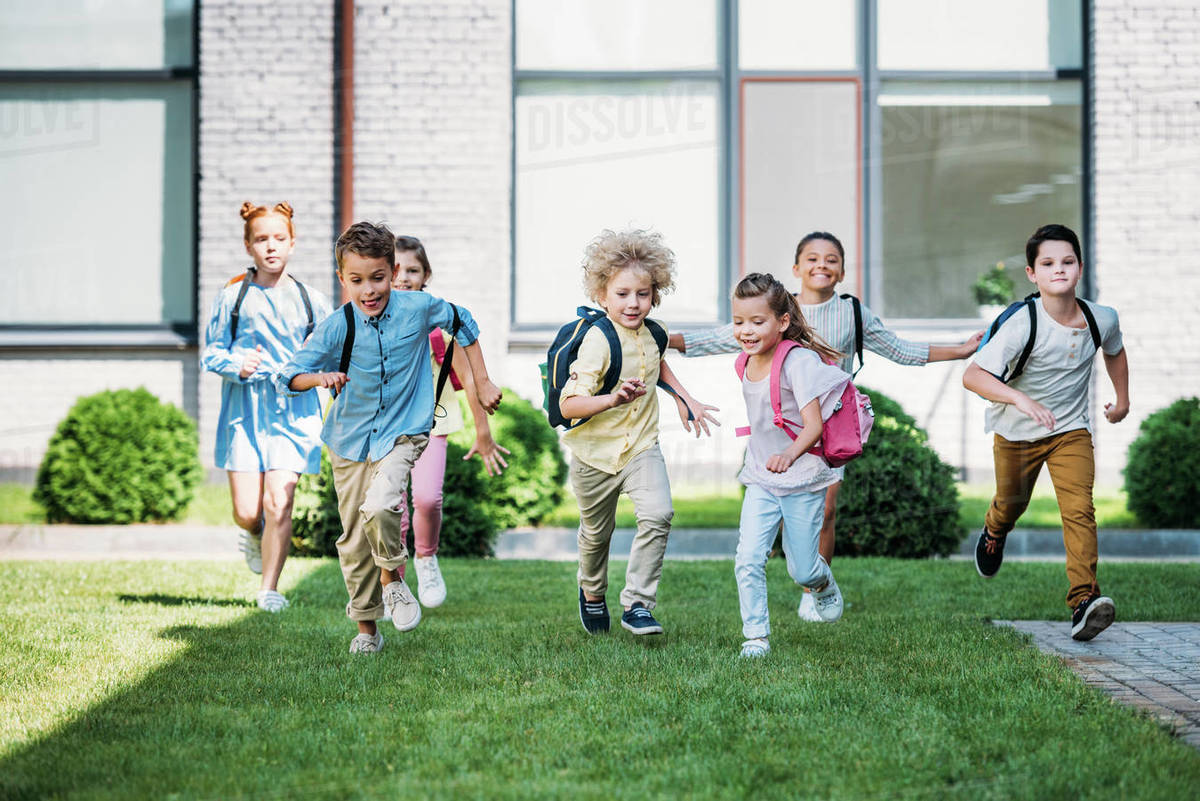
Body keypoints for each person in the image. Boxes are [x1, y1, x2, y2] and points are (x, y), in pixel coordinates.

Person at [670, 231, 980, 622]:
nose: (822, 265)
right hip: (777, 437)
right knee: (772, 518)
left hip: (824, 432)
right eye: (812, 259)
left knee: (827, 510)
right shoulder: (769, 314)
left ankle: (811, 588)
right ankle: (790, 578)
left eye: (831, 259)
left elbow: (901, 350)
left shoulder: (852, 313)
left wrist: (961, 350)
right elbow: (717, 338)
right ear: (797, 268)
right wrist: (661, 338)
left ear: (842, 271)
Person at [276, 222, 501, 654]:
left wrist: (485, 381)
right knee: (355, 539)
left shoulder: (417, 308)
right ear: (342, 278)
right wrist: (319, 377)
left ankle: (394, 579)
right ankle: (368, 631)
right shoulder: (337, 326)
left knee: (381, 505)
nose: (369, 290)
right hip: (348, 440)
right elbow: (288, 375)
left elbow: (464, 321)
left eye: (378, 278)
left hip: (405, 431)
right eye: (357, 280)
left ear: (392, 270)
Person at [963, 223, 1128, 642]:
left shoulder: (1100, 317)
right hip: (1017, 432)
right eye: (1048, 263)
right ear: (1032, 274)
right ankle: (994, 531)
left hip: (1070, 430)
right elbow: (974, 375)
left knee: (1079, 509)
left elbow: (1115, 350)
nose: (1059, 269)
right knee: (1012, 503)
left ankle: (1083, 601)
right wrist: (1021, 400)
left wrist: (1122, 399)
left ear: (1080, 268)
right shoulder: (1022, 323)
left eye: (1067, 261)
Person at [558, 229, 719, 637]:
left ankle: (638, 605)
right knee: (597, 534)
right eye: (623, 294)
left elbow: (656, 360)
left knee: (659, 513)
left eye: (643, 294)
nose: (634, 303)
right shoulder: (597, 340)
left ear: (655, 294)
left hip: (642, 446)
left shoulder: (654, 331)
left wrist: (685, 398)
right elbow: (568, 404)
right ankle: (592, 593)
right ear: (602, 295)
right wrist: (612, 399)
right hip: (594, 454)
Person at [201, 201, 332, 613]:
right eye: (261, 239)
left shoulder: (312, 301)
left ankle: (269, 589)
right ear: (248, 245)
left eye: (279, 238)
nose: (271, 247)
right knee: (246, 511)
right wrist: (236, 364)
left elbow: (331, 354)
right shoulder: (233, 297)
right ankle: (252, 531)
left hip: (294, 413)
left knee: (280, 501)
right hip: (244, 415)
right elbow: (210, 353)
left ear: (293, 244)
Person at [730, 273, 849, 657]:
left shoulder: (798, 362)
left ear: (782, 322)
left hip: (802, 478)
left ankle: (822, 582)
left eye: (757, 321)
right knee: (748, 558)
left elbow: (813, 425)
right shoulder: (743, 362)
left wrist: (790, 454)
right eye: (738, 322)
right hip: (761, 478)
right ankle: (756, 637)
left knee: (802, 569)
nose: (746, 331)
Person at [391, 234, 510, 609]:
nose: (403, 277)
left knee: (426, 499)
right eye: (395, 269)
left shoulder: (440, 329)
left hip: (431, 426)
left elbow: (471, 379)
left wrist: (484, 433)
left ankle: (426, 559)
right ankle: (394, 578)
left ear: (426, 275)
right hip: (387, 430)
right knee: (392, 509)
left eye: (412, 269)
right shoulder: (372, 321)